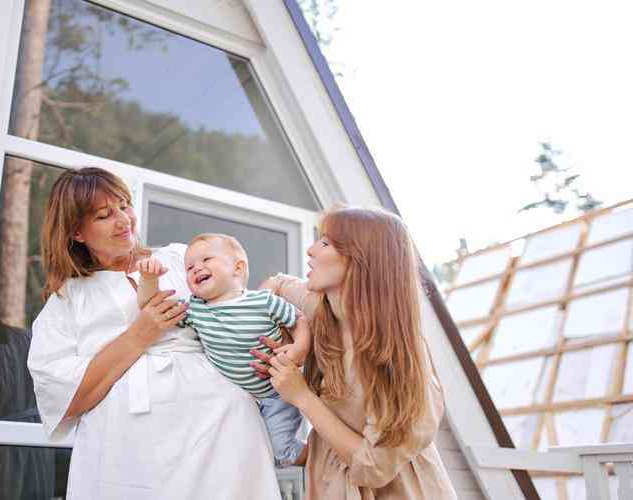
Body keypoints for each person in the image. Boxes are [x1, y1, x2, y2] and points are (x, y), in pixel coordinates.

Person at [27, 167, 281, 500]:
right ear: (77, 232)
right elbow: (66, 399)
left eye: (124, 205)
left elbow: (237, 304)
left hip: (220, 424)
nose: (123, 220)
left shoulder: (178, 258)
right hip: (129, 445)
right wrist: (139, 335)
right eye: (105, 215)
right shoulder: (67, 302)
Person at [254, 207, 457, 500]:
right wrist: (289, 338)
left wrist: (301, 396)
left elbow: (374, 468)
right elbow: (278, 283)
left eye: (325, 243)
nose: (310, 250)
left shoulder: (401, 361)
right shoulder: (320, 312)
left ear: (362, 258)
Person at [135, 233, 310, 466]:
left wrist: (299, 348)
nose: (197, 268)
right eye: (189, 267)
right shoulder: (195, 310)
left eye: (207, 259)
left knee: (282, 452)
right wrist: (148, 280)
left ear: (237, 268)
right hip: (244, 401)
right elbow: (151, 307)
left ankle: (324, 455)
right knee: (257, 455)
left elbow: (299, 320)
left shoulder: (263, 301)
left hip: (278, 394)